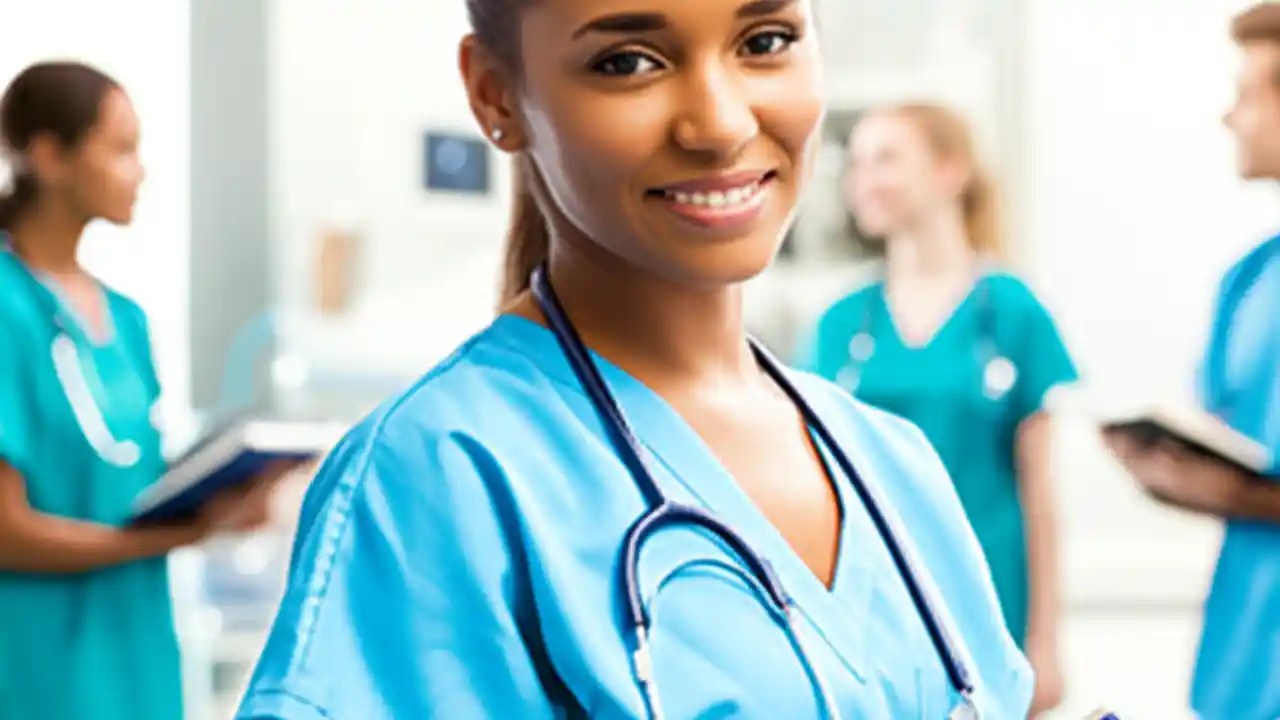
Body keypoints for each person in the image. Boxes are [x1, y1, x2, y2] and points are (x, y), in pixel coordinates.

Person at [235, 1, 1033, 718]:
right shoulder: (438, 477)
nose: (720, 122)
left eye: (766, 39)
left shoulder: (895, 471)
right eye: (628, 62)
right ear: (496, 95)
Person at [0, 61, 281, 720]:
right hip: (35, 666)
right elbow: (7, 533)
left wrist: (226, 499)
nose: (141, 172)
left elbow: (134, 480)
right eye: (122, 149)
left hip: (139, 653)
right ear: (48, 155)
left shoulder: (126, 320)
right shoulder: (7, 305)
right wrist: (171, 539)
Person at [797, 103, 1076, 716]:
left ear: (952, 171)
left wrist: (1046, 641)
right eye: (857, 163)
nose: (864, 178)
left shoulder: (1012, 310)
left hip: (989, 599)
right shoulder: (841, 322)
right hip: (870, 603)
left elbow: (1040, 494)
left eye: (887, 158)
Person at [1105, 5, 1280, 718]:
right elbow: (1226, 446)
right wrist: (1174, 472)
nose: (1228, 117)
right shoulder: (1247, 282)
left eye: (1249, 92)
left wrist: (1248, 498)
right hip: (1244, 671)